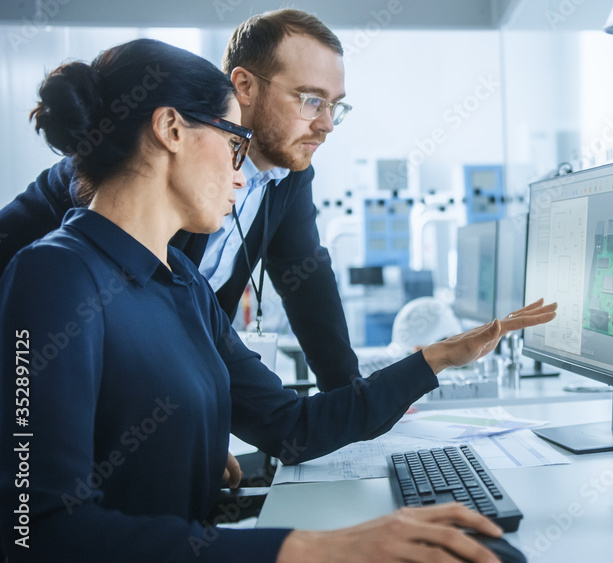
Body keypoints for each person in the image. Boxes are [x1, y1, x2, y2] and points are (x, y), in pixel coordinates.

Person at [0, 39, 556, 562]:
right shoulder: (53, 276)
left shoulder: (183, 282)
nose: (242, 177)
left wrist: (437, 359)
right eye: (233, 142)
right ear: (171, 128)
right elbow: (39, 533)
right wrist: (313, 549)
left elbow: (291, 426)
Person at [0, 9, 361, 394]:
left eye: (334, 106)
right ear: (245, 85)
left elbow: (307, 283)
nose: (325, 124)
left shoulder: (287, 175)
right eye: (310, 100)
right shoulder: (144, 162)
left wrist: (350, 394)